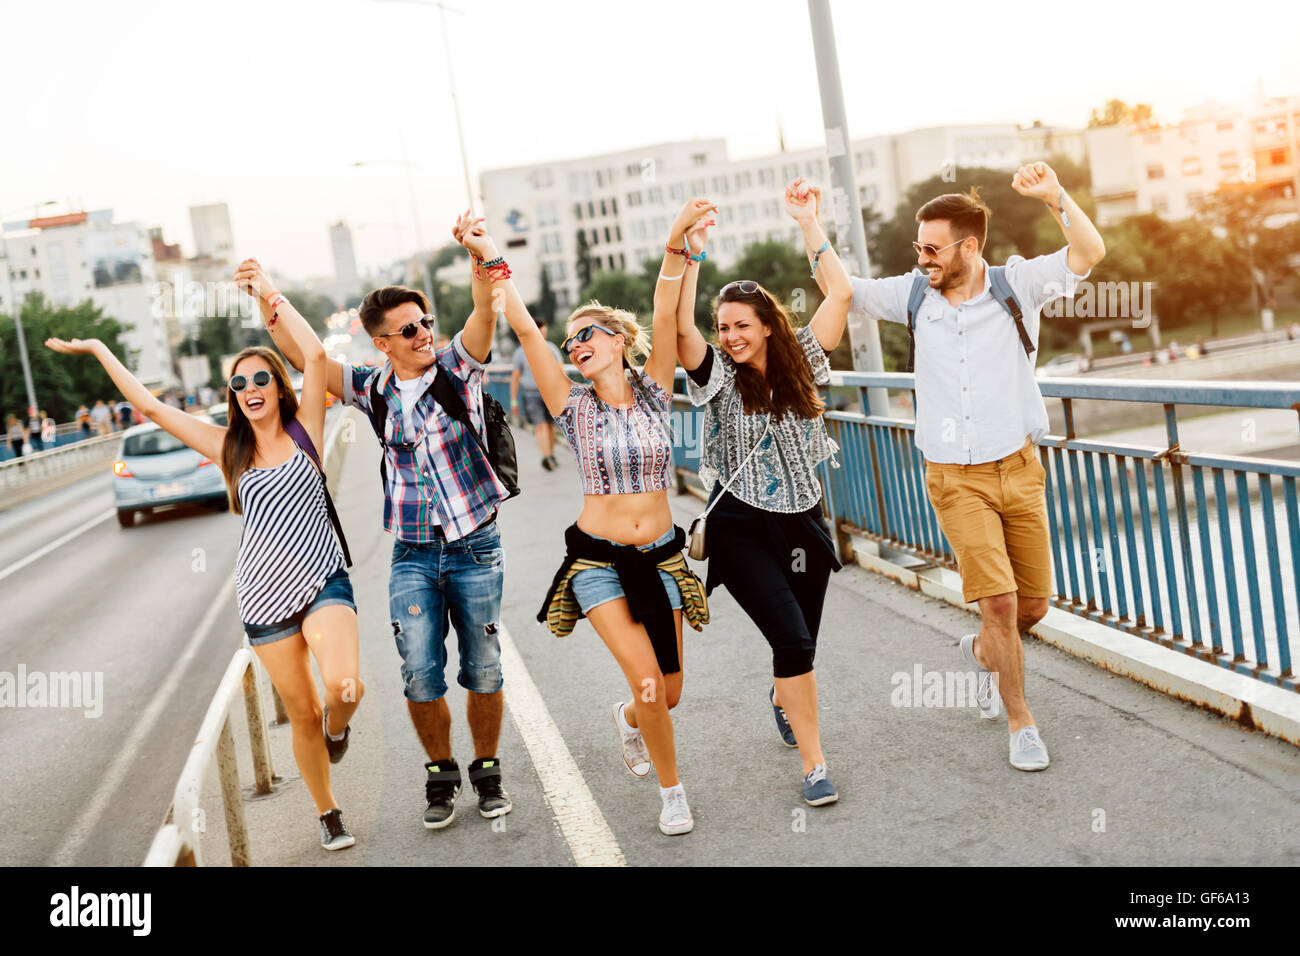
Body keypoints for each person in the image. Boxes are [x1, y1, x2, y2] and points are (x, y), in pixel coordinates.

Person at [46, 273, 367, 852]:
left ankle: (337, 732)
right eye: (238, 382)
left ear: (277, 385)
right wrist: (98, 350)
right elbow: (146, 404)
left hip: (323, 581)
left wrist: (267, 291)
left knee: (345, 688)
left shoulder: (306, 430)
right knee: (301, 710)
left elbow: (316, 353)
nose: (248, 387)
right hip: (265, 599)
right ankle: (328, 812)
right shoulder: (228, 447)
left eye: (260, 378)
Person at [835, 162, 1106, 771]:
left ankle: (983, 653)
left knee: (1033, 606)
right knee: (1001, 605)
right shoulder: (912, 292)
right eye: (918, 245)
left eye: (933, 247)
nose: (923, 255)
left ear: (969, 245)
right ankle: (1021, 722)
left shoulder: (1019, 283)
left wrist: (1055, 196)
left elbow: (1089, 250)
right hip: (955, 478)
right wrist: (808, 226)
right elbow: (845, 288)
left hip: (1019, 468)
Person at [257, 211, 513, 832]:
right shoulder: (371, 389)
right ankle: (440, 775)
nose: (424, 332)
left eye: (425, 322)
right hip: (413, 554)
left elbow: (485, 312)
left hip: (475, 544)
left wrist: (482, 253)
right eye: (408, 328)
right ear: (383, 342)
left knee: (481, 666)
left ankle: (487, 769)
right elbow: (308, 357)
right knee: (420, 670)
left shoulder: (458, 367)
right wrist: (267, 295)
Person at [496, 198, 714, 835]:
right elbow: (529, 334)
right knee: (648, 678)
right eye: (573, 342)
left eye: (587, 336)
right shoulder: (570, 403)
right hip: (598, 564)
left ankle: (628, 720)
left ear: (618, 342)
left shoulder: (653, 390)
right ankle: (673, 794)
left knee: (667, 693)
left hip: (664, 557)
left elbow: (666, 309)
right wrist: (490, 262)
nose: (576, 345)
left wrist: (679, 243)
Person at [677, 178, 850, 807]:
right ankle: (814, 765)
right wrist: (691, 253)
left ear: (769, 325)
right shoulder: (717, 373)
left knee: (802, 636)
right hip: (741, 525)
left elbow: (842, 292)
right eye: (723, 327)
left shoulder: (803, 357)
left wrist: (809, 222)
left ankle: (783, 692)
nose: (730, 336)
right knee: (794, 641)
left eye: (742, 325)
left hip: (803, 522)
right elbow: (676, 325)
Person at [510, 318, 564, 470]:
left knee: (550, 426)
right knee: (540, 426)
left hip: (551, 392)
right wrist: (514, 401)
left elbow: (561, 371)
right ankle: (547, 457)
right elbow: (515, 378)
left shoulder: (552, 348)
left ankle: (551, 455)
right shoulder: (520, 352)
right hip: (531, 394)